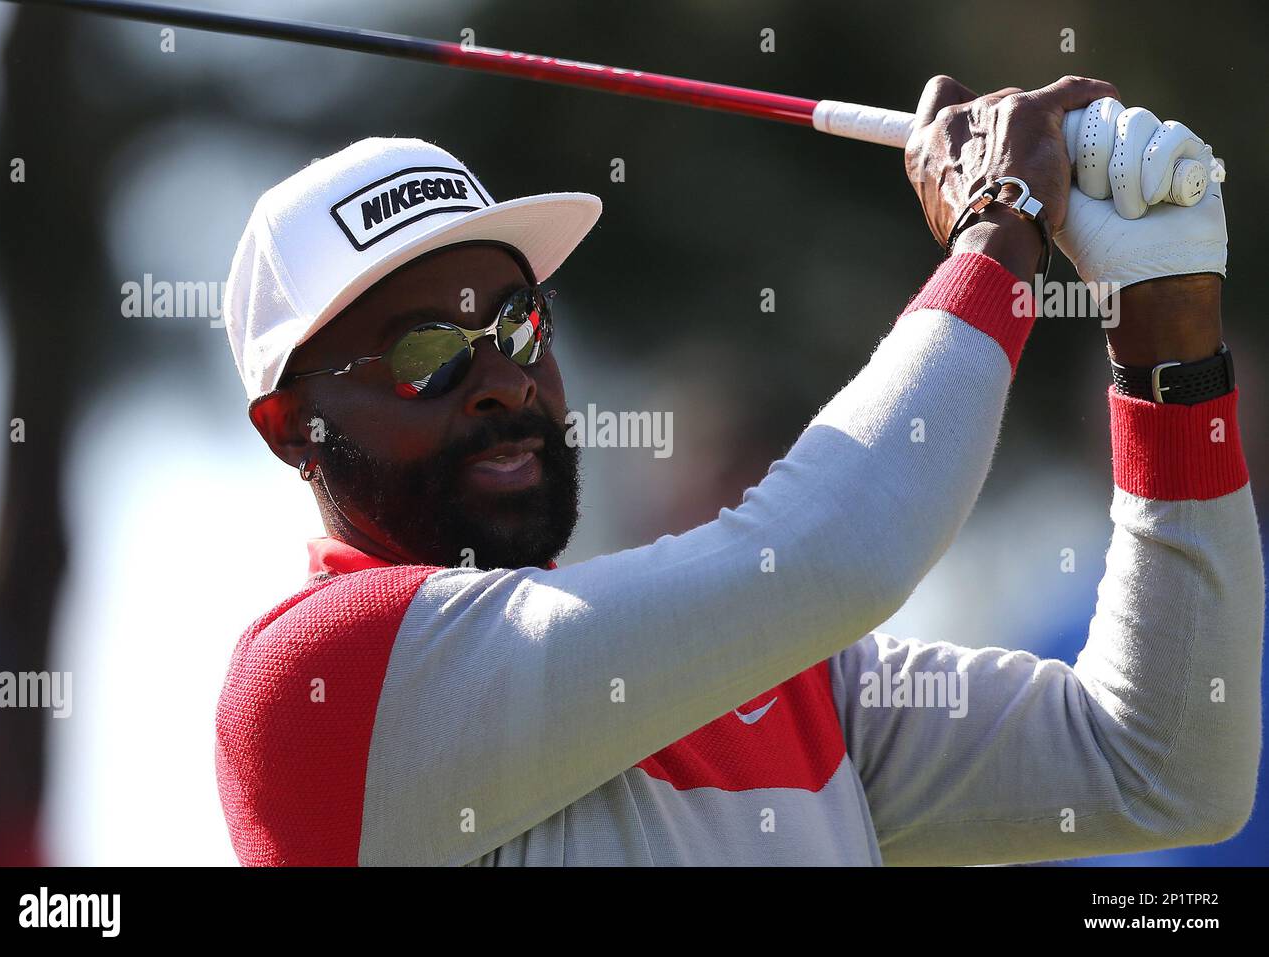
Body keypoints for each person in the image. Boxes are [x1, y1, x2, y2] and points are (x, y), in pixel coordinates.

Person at [215, 75, 1262, 865]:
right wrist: (999, 231)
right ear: (289, 428)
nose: (500, 380)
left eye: (519, 324)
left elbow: (1160, 768)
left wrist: (1165, 340)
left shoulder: (777, 684)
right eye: (423, 353)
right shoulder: (311, 684)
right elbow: (838, 551)